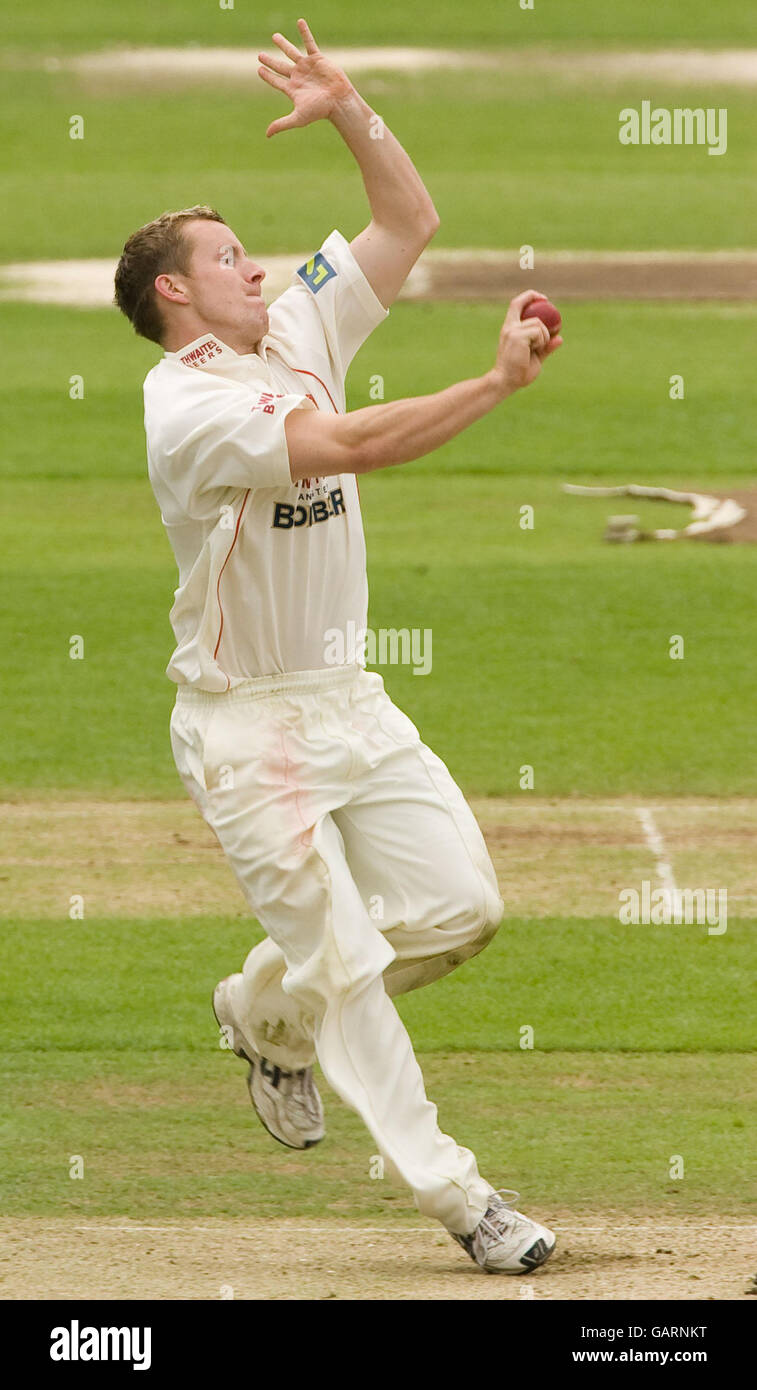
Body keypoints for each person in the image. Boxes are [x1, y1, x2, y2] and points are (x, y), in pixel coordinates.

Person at [114, 17, 561, 1275]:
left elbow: (408, 221)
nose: (256, 268)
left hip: (348, 699)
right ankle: (465, 1202)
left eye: (252, 254)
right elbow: (353, 449)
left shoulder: (292, 326)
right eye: (227, 257)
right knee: (352, 961)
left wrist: (352, 102)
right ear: (174, 291)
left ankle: (262, 1011)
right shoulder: (189, 407)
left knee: (463, 910)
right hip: (246, 724)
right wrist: (493, 386)